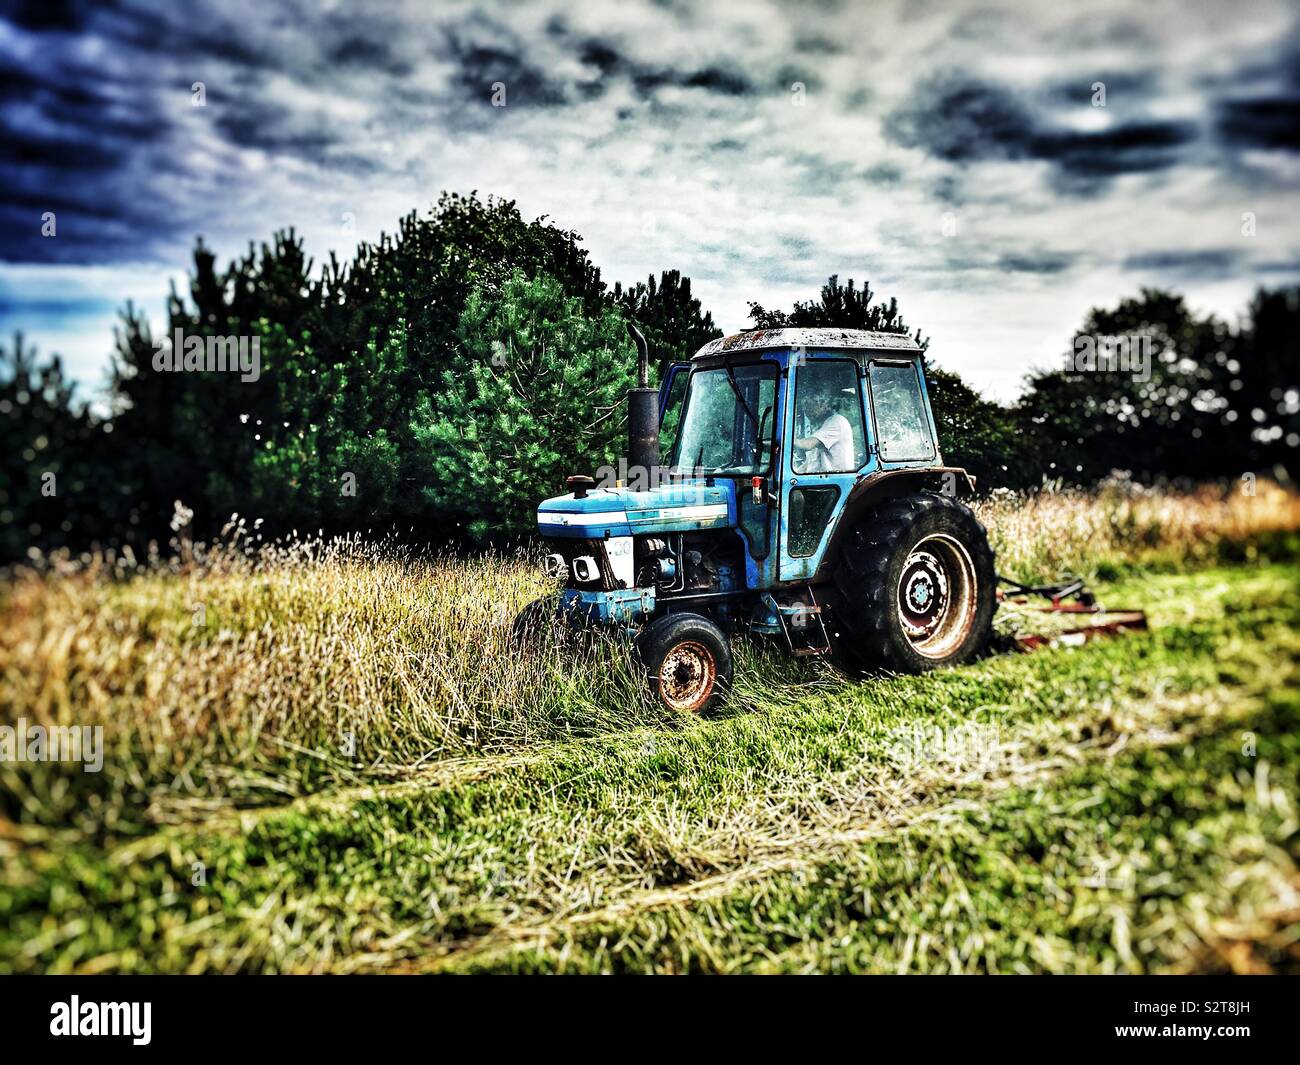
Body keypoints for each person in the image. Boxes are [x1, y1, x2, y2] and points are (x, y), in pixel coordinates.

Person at [794, 386, 853, 472]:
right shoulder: (820, 429)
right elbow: (809, 465)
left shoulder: (836, 421)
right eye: (804, 406)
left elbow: (808, 444)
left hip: (835, 481)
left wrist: (785, 442)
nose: (806, 410)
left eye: (809, 405)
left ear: (824, 404)